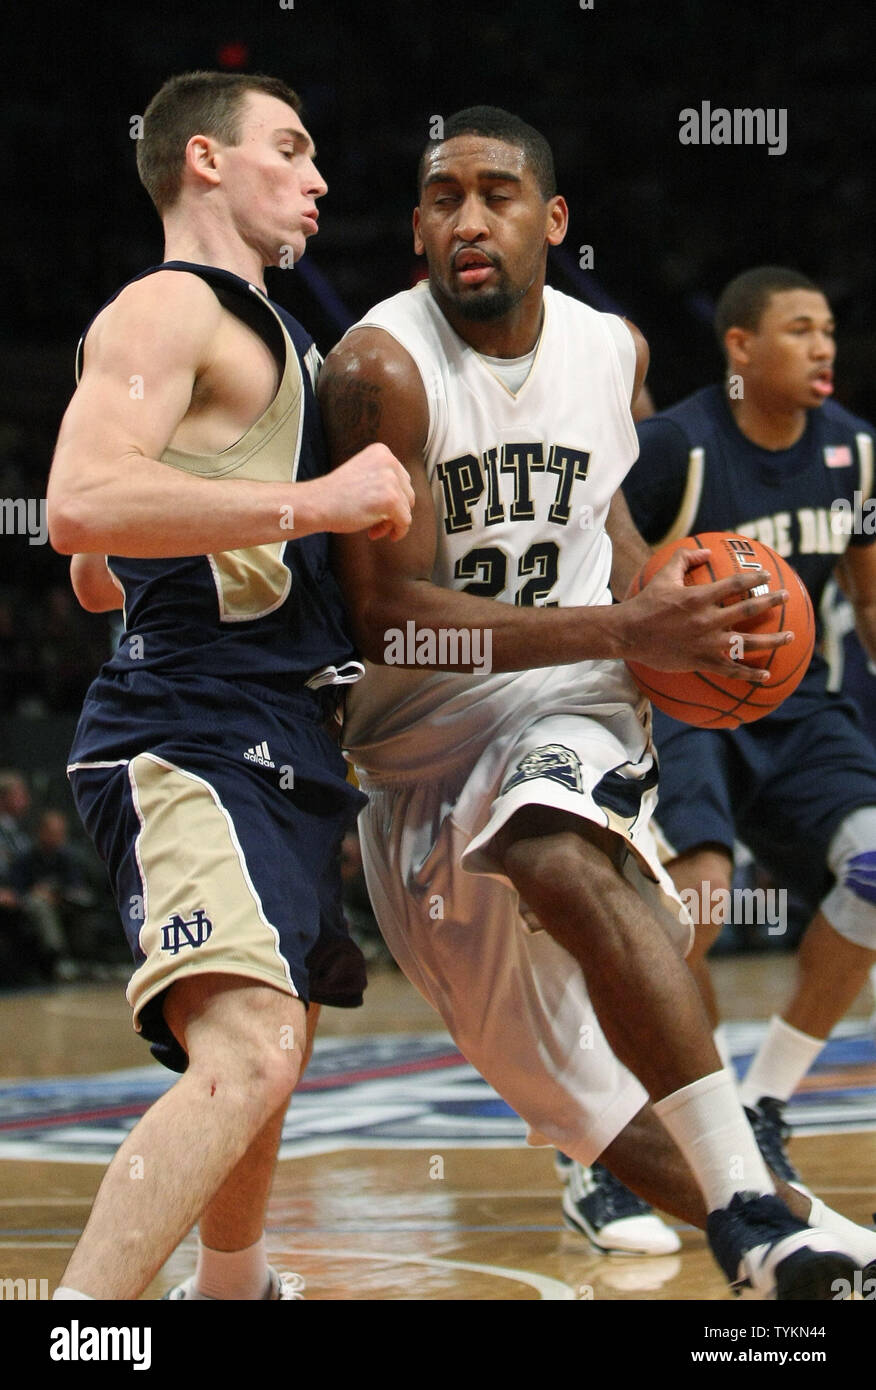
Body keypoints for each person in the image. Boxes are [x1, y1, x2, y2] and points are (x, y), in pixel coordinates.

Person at [318, 108, 875, 1297]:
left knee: (555, 845)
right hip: (412, 753)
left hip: (568, 699)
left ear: (553, 220)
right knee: (574, 1101)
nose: (468, 219)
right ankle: (796, 1234)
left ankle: (742, 1196)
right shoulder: (381, 370)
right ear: (417, 226)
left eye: (498, 194)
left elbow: (608, 528)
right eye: (442, 197)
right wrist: (626, 625)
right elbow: (387, 617)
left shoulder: (610, 349)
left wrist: (677, 635)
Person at [45, 70, 413, 1302]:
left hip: (281, 726)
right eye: (292, 148)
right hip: (188, 728)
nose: (317, 178)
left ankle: (236, 1286)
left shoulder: (276, 335)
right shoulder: (166, 306)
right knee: (250, 1044)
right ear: (204, 160)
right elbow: (78, 506)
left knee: (282, 1033)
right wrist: (318, 502)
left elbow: (104, 570)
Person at [617, 265, 876, 1193]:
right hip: (688, 703)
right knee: (699, 905)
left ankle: (764, 1104)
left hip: (802, 706)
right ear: (740, 347)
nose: (823, 348)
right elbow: (606, 576)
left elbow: (870, 603)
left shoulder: (859, 454)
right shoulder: (671, 450)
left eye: (829, 332)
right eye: (800, 329)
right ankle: (635, 1137)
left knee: (874, 871)